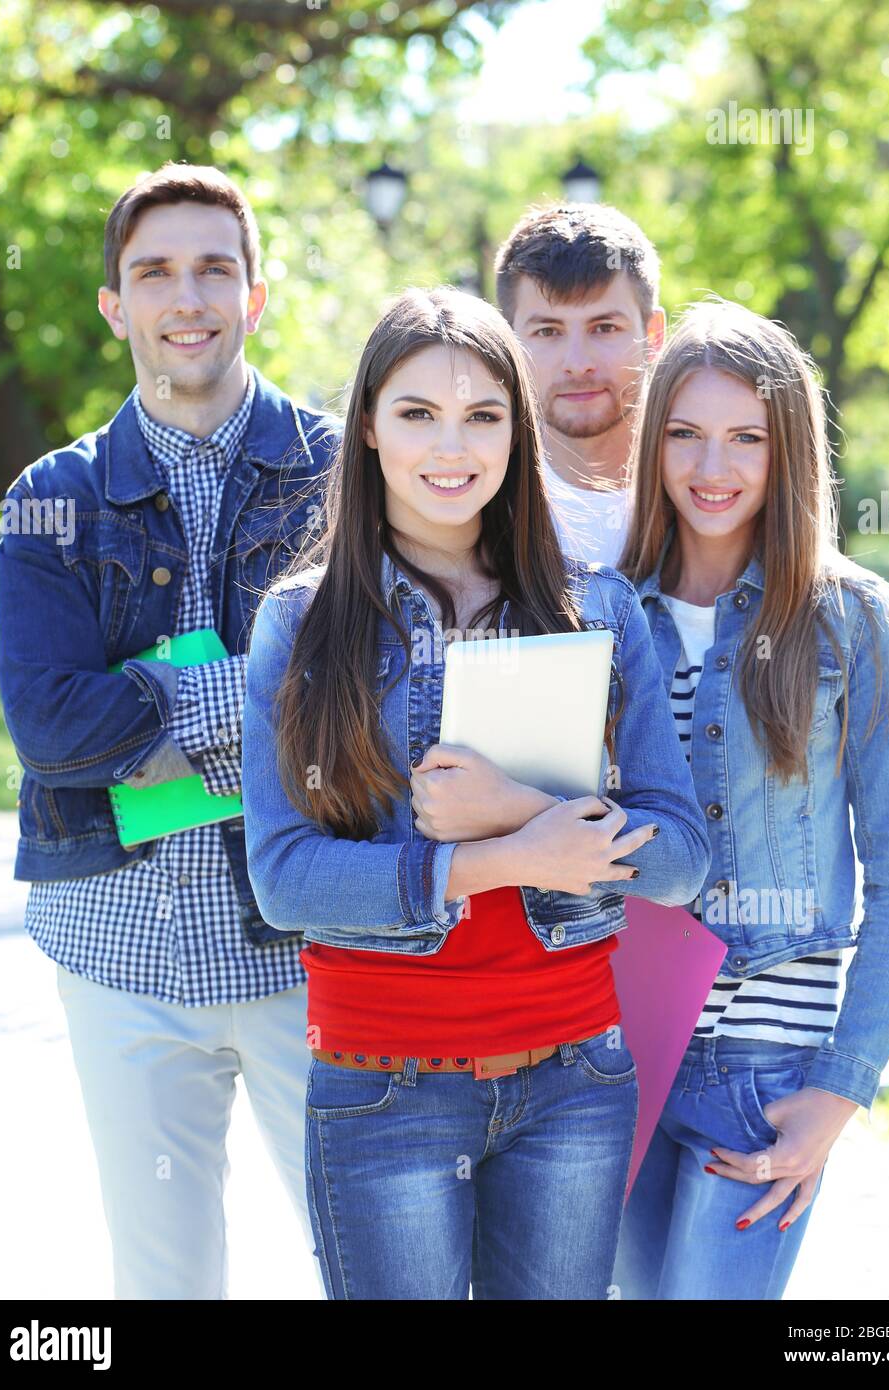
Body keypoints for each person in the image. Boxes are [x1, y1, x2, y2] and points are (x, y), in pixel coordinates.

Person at [241, 285, 710, 1300]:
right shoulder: (298, 625)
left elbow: (679, 861)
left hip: (574, 1080)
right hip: (381, 1085)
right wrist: (496, 860)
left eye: (483, 415)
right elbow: (284, 880)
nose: (450, 446)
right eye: (417, 413)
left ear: (517, 430)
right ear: (366, 427)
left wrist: (515, 810)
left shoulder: (599, 608)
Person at [0, 163, 339, 1299]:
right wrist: (266, 696)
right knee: (164, 1281)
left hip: (310, 946)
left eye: (212, 269)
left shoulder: (347, 471)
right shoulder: (52, 493)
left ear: (255, 293)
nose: (184, 297)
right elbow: (50, 727)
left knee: (373, 1264)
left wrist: (148, 708)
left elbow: (369, 687)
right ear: (114, 306)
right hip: (120, 950)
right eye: (153, 272)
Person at [607, 298, 889, 1298]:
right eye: (687, 435)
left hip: (768, 1065)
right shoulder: (599, 609)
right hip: (617, 1054)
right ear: (653, 441)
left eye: (745, 438)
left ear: (786, 450)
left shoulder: (850, 621)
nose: (713, 469)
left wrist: (842, 1084)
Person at [494, 202, 665, 567]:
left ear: (653, 335)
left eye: (604, 328)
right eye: (547, 331)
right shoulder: (477, 503)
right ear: (507, 341)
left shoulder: (712, 490)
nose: (577, 364)